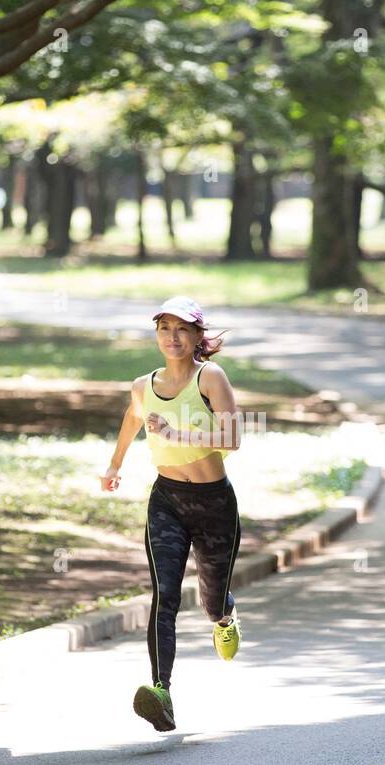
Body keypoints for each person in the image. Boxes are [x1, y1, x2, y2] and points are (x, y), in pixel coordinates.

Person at [100, 295, 244, 732]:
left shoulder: (210, 378)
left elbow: (234, 436)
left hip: (214, 502)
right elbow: (132, 418)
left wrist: (177, 432)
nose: (173, 337)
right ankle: (161, 691)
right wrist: (114, 464)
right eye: (165, 328)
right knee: (164, 593)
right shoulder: (144, 385)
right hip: (167, 501)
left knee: (211, 597)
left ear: (199, 336)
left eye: (182, 329)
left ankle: (224, 614)